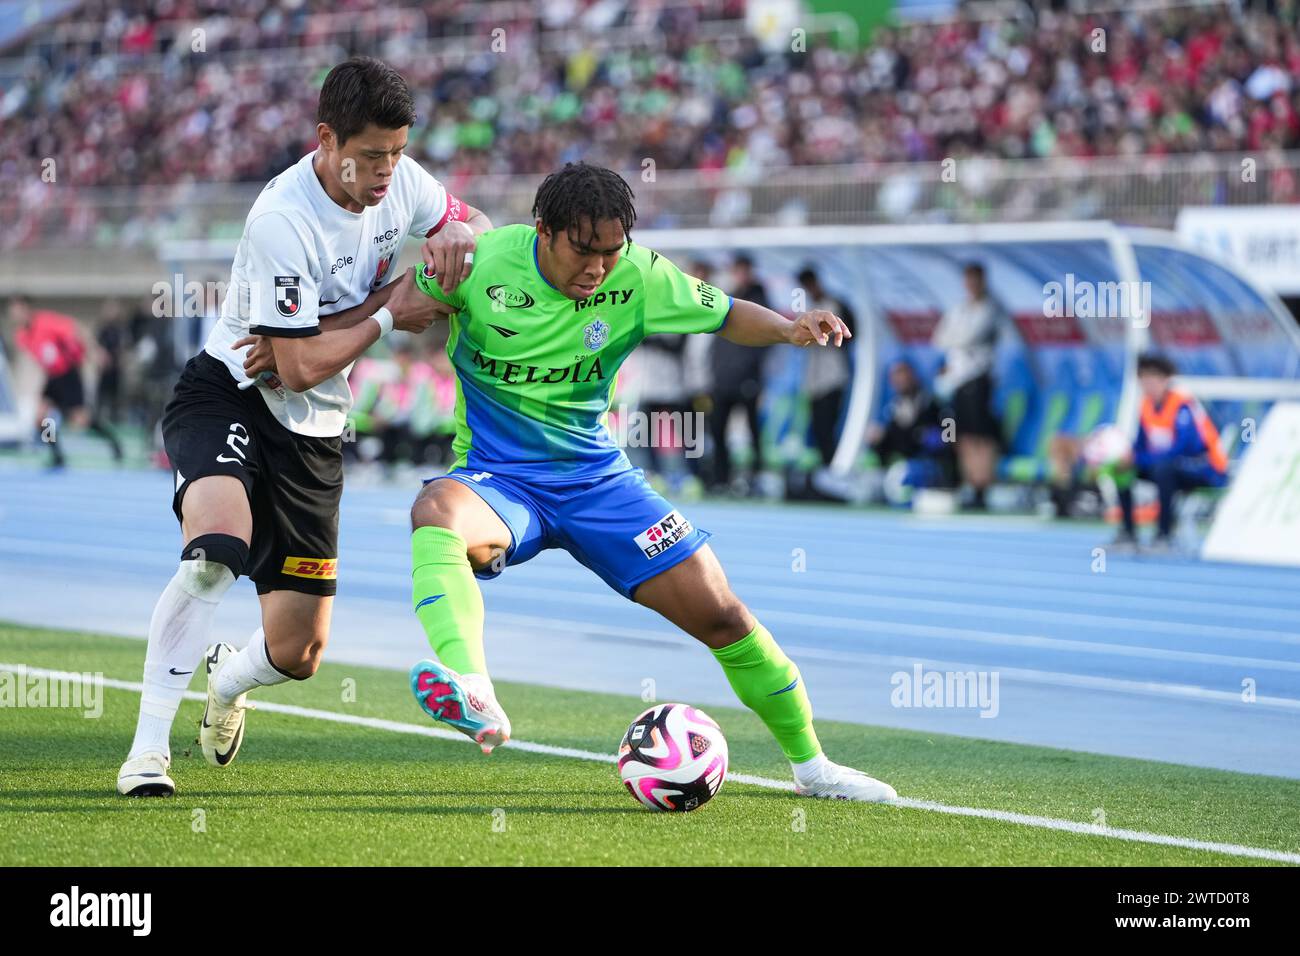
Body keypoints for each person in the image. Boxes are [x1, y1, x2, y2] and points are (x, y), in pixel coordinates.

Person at [402, 162, 896, 802]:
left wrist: (787, 327)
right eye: (585, 251)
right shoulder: (483, 261)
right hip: (499, 482)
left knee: (724, 616)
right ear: (543, 231)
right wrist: (304, 343)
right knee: (435, 507)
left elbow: (723, 314)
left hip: (599, 482)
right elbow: (394, 308)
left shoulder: (638, 272)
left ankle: (814, 768)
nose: (599, 269)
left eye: (611, 253)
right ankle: (473, 687)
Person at [116, 56, 492, 797]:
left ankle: (227, 682)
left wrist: (462, 240)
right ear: (327, 139)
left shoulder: (403, 181)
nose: (387, 171)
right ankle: (147, 751)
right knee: (215, 552)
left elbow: (476, 226)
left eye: (398, 151)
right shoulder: (282, 219)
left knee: (299, 652)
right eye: (372, 156)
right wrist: (392, 309)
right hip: (232, 394)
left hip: (315, 432)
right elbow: (290, 368)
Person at [1111, 353, 1228, 553]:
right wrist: (1128, 457)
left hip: (1205, 468)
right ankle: (1128, 533)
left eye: (1153, 379)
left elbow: (1184, 448)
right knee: (1121, 469)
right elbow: (1140, 445)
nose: (1148, 385)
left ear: (1166, 380)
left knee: (1164, 470)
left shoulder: (1182, 405)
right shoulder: (1146, 405)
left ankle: (1164, 535)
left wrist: (1141, 458)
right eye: (1144, 380)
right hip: (1165, 466)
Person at [9, 295, 122, 468]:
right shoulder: (21, 336)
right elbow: (41, 360)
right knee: (40, 417)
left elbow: (76, 330)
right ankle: (57, 455)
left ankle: (113, 442)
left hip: (68, 374)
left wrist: (95, 351)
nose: (15, 314)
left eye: (18, 310)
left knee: (80, 420)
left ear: (26, 309)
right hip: (53, 377)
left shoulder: (46, 321)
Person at [931, 262, 1004, 509]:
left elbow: (968, 337)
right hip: (957, 381)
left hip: (978, 379)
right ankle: (969, 482)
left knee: (981, 434)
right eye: (968, 280)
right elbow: (940, 338)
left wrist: (955, 339)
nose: (971, 285)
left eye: (976, 280)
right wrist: (955, 340)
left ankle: (983, 485)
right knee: (961, 435)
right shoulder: (958, 309)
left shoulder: (990, 309)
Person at [706, 254, 770, 493]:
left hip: (747, 381)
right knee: (718, 430)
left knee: (754, 431)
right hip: (722, 379)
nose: (739, 275)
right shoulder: (726, 298)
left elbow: (764, 343)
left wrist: (754, 376)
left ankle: (756, 477)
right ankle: (721, 478)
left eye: (743, 270)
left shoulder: (759, 300)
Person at [796, 265, 857, 467]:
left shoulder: (833, 306)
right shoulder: (809, 309)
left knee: (830, 426)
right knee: (818, 428)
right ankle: (825, 468)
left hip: (833, 376)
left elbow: (848, 335)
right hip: (815, 379)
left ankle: (834, 468)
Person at [868, 358, 953, 487]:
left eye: (903, 374)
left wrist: (940, 438)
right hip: (900, 464)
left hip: (927, 464)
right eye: (896, 375)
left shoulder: (933, 403)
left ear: (913, 375)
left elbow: (950, 433)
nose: (900, 380)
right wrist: (880, 437)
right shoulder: (892, 407)